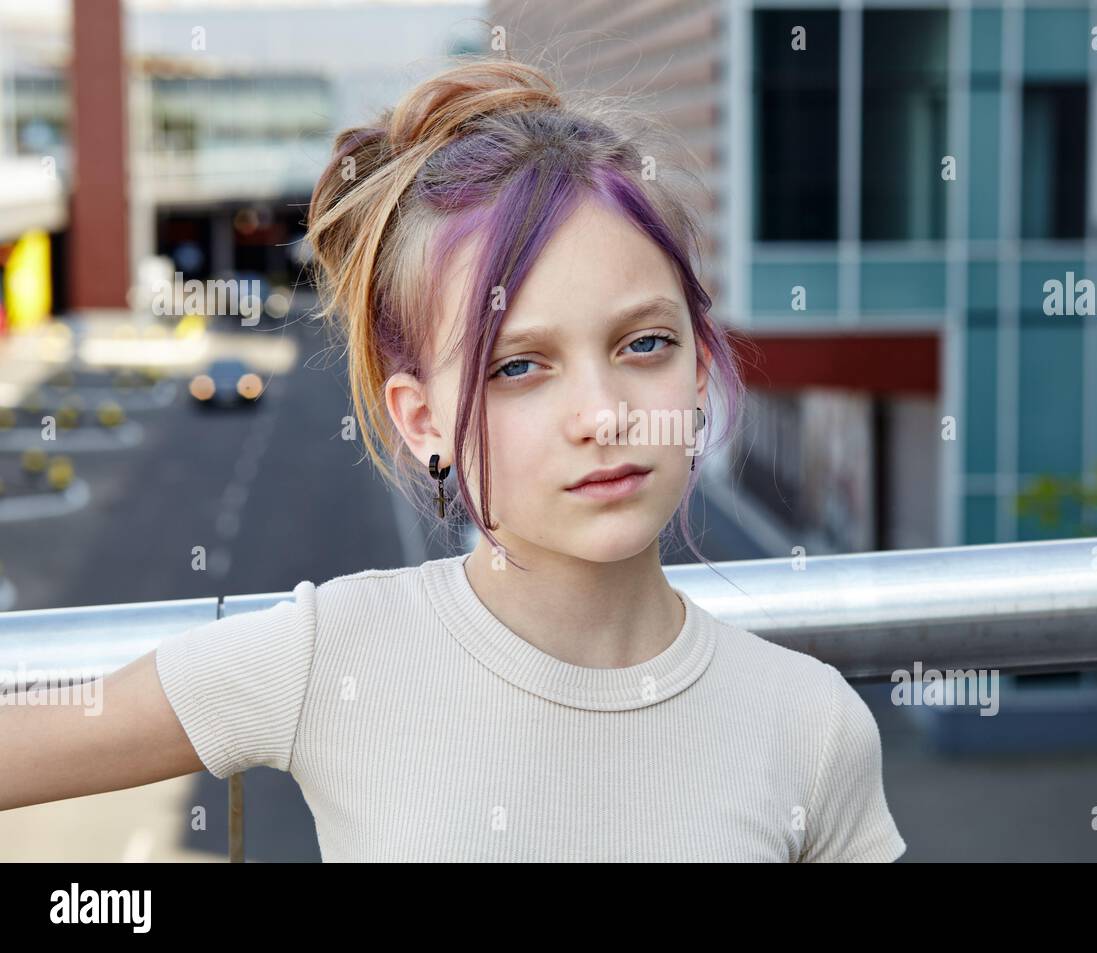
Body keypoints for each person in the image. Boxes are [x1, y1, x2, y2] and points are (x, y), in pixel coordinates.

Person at [0, 57, 905, 863]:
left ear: (700, 365)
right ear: (422, 418)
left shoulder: (813, 727)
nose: (602, 415)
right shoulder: (332, 656)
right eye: (517, 366)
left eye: (644, 344)